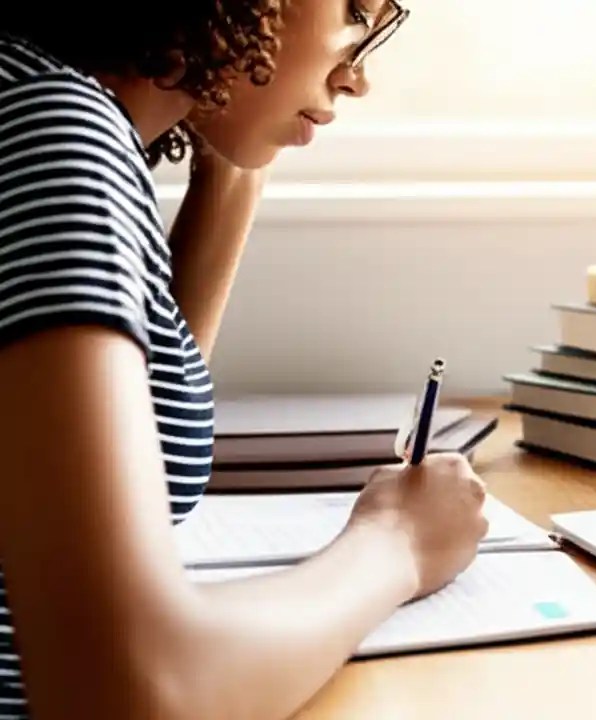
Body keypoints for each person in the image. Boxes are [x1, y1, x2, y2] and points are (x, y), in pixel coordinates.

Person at [0, 3, 490, 718]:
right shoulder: (53, 136)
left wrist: (234, 148)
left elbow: (146, 425)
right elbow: (132, 691)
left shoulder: (35, 103)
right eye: (356, 10)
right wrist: (398, 543)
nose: (356, 77)